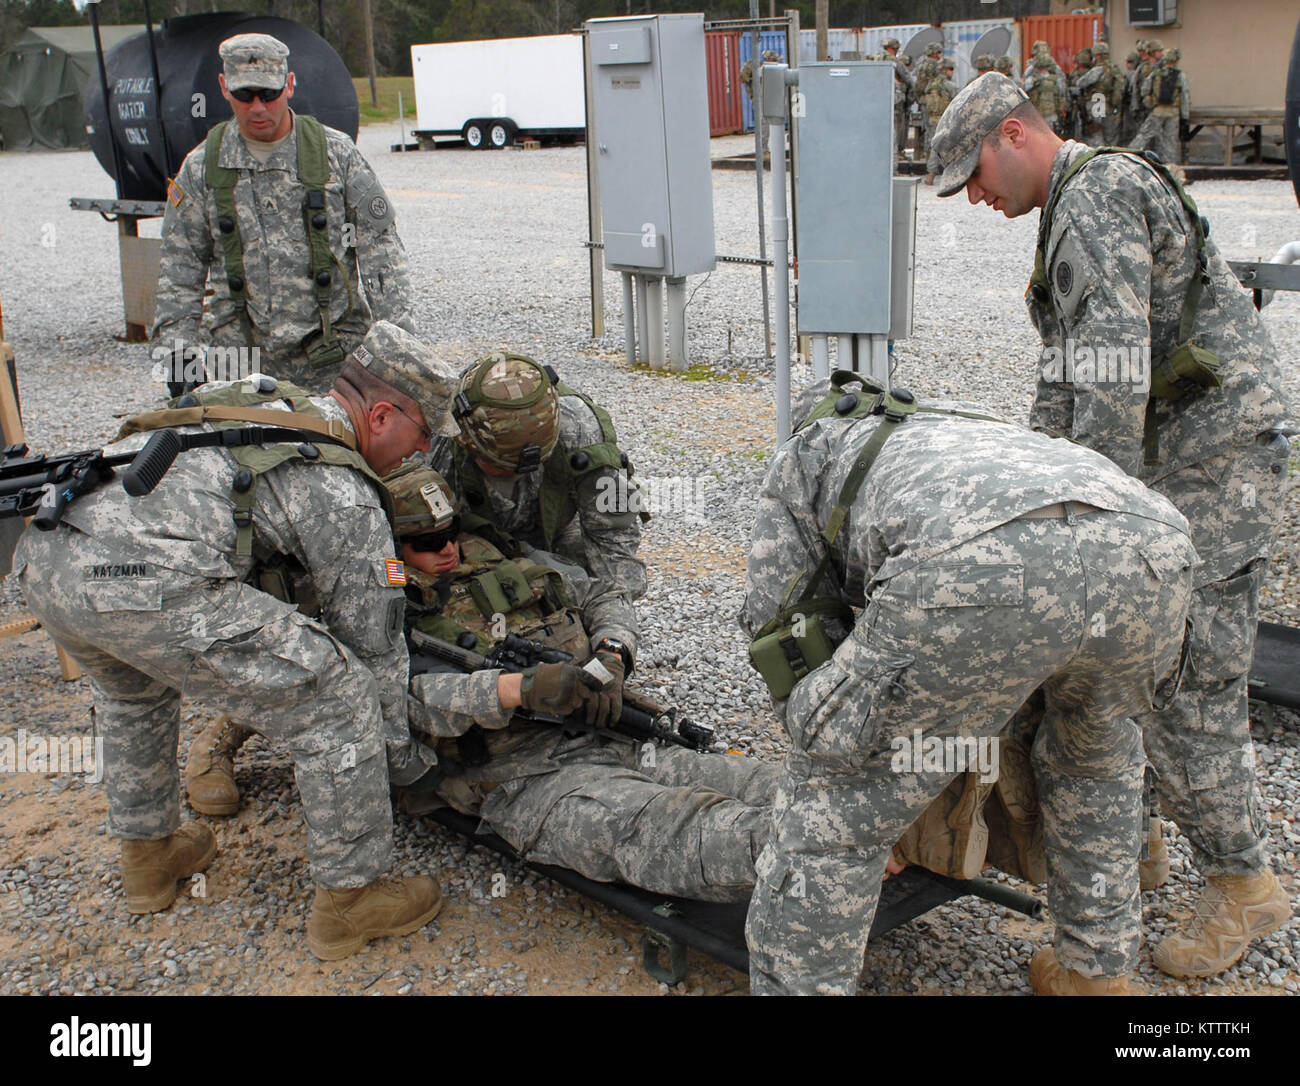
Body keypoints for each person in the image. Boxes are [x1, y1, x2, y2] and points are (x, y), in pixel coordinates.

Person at [932, 73, 1294, 978]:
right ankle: (1140, 850)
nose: (973, 197)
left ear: (1013, 134)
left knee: (1184, 692)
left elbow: (1111, 385)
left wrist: (1085, 535)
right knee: (1131, 678)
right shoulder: (1081, 200)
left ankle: (1244, 887)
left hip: (1211, 478)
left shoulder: (1091, 198)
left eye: (971, 173)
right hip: (1186, 468)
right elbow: (1067, 388)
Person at [13, 321, 458, 961]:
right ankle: (353, 899)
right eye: (419, 439)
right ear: (381, 415)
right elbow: (373, 641)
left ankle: (151, 860)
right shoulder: (343, 486)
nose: (419, 457)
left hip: (50, 561)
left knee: (135, 693)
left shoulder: (256, 397)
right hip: (151, 586)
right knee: (339, 693)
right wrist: (397, 757)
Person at [740, 373, 1197, 995]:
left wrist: (862, 763)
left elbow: (782, 624)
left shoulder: (805, 451)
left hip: (978, 566)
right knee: (1096, 759)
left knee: (835, 808)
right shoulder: (969, 423)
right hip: (1153, 547)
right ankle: (1095, 974)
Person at [386, 465, 778, 900]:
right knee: (670, 830)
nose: (446, 549)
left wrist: (611, 653)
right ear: (392, 546)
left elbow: (601, 593)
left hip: (603, 730)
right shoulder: (388, 610)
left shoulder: (493, 556)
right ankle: (817, 856)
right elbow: (402, 700)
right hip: (525, 773)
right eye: (426, 542)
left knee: (758, 781)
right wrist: (519, 688)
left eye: (451, 531)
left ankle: (846, 825)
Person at [152, 33, 415, 394]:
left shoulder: (336, 155)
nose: (257, 108)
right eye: (244, 95)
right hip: (239, 361)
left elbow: (382, 259)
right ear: (223, 87)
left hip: (331, 355)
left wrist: (400, 353)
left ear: (289, 85)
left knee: (341, 449)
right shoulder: (201, 169)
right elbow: (180, 272)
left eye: (268, 94)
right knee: (243, 448)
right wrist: (179, 356)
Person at [426, 352, 646, 694]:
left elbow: (617, 542)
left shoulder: (585, 433)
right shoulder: (441, 434)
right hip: (470, 540)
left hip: (557, 532)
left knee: (585, 574)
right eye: (498, 467)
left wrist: (613, 643)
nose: (509, 477)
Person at [1134, 47, 1190, 168]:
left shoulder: (1156, 73)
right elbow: (1185, 97)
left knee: (1144, 135)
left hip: (1157, 111)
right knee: (1170, 142)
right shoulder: (1180, 75)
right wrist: (1185, 117)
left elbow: (1144, 90)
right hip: (1173, 112)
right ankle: (1169, 166)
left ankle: (1129, 155)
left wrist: (1149, 103)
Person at [922, 58, 959, 185]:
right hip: (945, 119)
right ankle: (933, 175)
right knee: (941, 147)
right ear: (944, 70)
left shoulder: (931, 84)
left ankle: (931, 175)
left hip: (932, 119)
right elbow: (957, 101)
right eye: (951, 69)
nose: (952, 72)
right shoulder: (950, 85)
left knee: (933, 145)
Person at [1023, 41, 1067, 136]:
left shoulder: (1030, 70)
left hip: (1036, 115)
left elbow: (1024, 90)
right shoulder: (1056, 70)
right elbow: (1062, 92)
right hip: (1050, 114)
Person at [881, 38, 915, 159]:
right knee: (897, 129)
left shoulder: (876, 59)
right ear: (894, 48)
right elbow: (909, 80)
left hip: (879, 100)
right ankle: (896, 155)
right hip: (896, 101)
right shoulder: (895, 62)